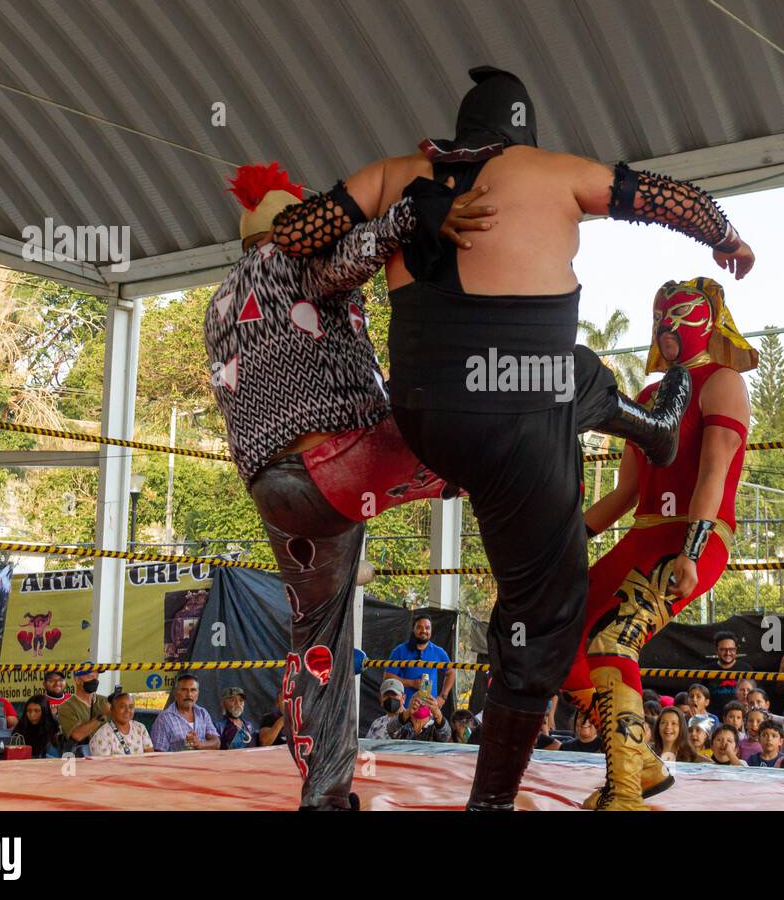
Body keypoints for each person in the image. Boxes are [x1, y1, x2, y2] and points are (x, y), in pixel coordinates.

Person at [297, 66, 754, 811]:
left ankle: (647, 429)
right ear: (521, 135)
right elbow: (675, 199)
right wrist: (727, 238)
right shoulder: (554, 171)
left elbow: (299, 237)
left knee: (567, 375)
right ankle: (492, 804)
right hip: (519, 416)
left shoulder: (392, 174)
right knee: (546, 618)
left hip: (423, 416)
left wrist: (403, 221)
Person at [215, 160, 691, 811]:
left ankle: (324, 796)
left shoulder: (220, 306)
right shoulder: (294, 261)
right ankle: (645, 433)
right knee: (536, 385)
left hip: (282, 496)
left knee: (318, 639)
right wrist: (419, 213)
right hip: (344, 461)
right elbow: (357, 250)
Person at [563, 278, 756, 810]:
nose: (666, 326)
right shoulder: (649, 397)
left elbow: (712, 477)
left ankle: (624, 793)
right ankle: (642, 766)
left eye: (679, 314)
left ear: (706, 320)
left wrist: (692, 551)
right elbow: (626, 492)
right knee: (554, 634)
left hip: (697, 535)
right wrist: (561, 540)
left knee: (613, 640)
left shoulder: (724, 381)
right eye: (660, 316)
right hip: (643, 536)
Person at [385, 615, 454, 706]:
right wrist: (412, 683)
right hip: (405, 708)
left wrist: (443, 697)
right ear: (413, 629)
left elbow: (451, 673)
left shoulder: (438, 652)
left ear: (431, 631)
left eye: (427, 628)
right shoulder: (400, 650)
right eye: (419, 627)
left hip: (430, 709)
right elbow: (388, 677)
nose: (424, 631)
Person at [150, 674, 221, 753]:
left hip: (203, 763)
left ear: (197, 694)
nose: (189, 694)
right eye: (184, 690)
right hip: (176, 764)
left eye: (193, 690)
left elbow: (216, 743)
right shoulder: (164, 718)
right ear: (175, 693)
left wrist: (199, 744)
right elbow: (158, 753)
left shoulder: (202, 713)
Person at [54, 669, 111, 753]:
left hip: (108, 751)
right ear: (77, 680)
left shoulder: (105, 701)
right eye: (90, 677)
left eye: (96, 676)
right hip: (83, 755)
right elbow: (77, 735)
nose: (95, 680)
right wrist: (102, 716)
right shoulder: (66, 707)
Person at [89, 691, 155, 757]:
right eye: (122, 707)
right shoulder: (102, 735)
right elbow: (103, 765)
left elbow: (150, 758)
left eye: (131, 707)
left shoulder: (140, 728)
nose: (127, 710)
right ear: (111, 709)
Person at [12, 694, 60, 758]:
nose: (32, 715)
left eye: (36, 711)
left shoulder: (54, 725)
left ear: (44, 711)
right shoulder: (21, 726)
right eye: (29, 711)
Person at [705, 631, 743, 710]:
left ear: (736, 650)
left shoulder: (746, 669)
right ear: (716, 650)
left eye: (731, 649)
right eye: (723, 649)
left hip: (740, 719)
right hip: (714, 719)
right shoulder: (707, 670)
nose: (728, 653)